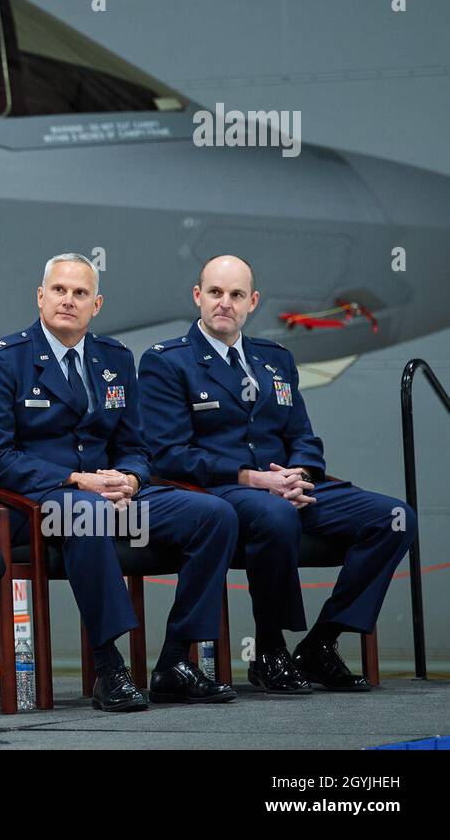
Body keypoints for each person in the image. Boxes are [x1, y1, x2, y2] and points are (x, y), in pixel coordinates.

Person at [0, 253, 239, 710]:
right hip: (33, 506)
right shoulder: (3, 360)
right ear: (40, 297)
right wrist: (76, 480)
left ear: (97, 305)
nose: (68, 301)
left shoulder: (113, 358)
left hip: (114, 499)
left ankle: (175, 659)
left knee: (215, 515)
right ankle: (108, 666)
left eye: (79, 293)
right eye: (58, 290)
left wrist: (131, 478)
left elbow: (137, 445)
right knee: (85, 514)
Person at [137, 254, 415, 693]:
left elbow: (302, 434)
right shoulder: (167, 362)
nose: (224, 303)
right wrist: (255, 479)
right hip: (222, 491)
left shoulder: (275, 358)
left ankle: (323, 641)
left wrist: (299, 475)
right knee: (275, 515)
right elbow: (169, 455)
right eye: (215, 293)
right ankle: (269, 650)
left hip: (290, 487)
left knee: (395, 518)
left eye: (236, 295)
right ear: (197, 297)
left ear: (253, 302)